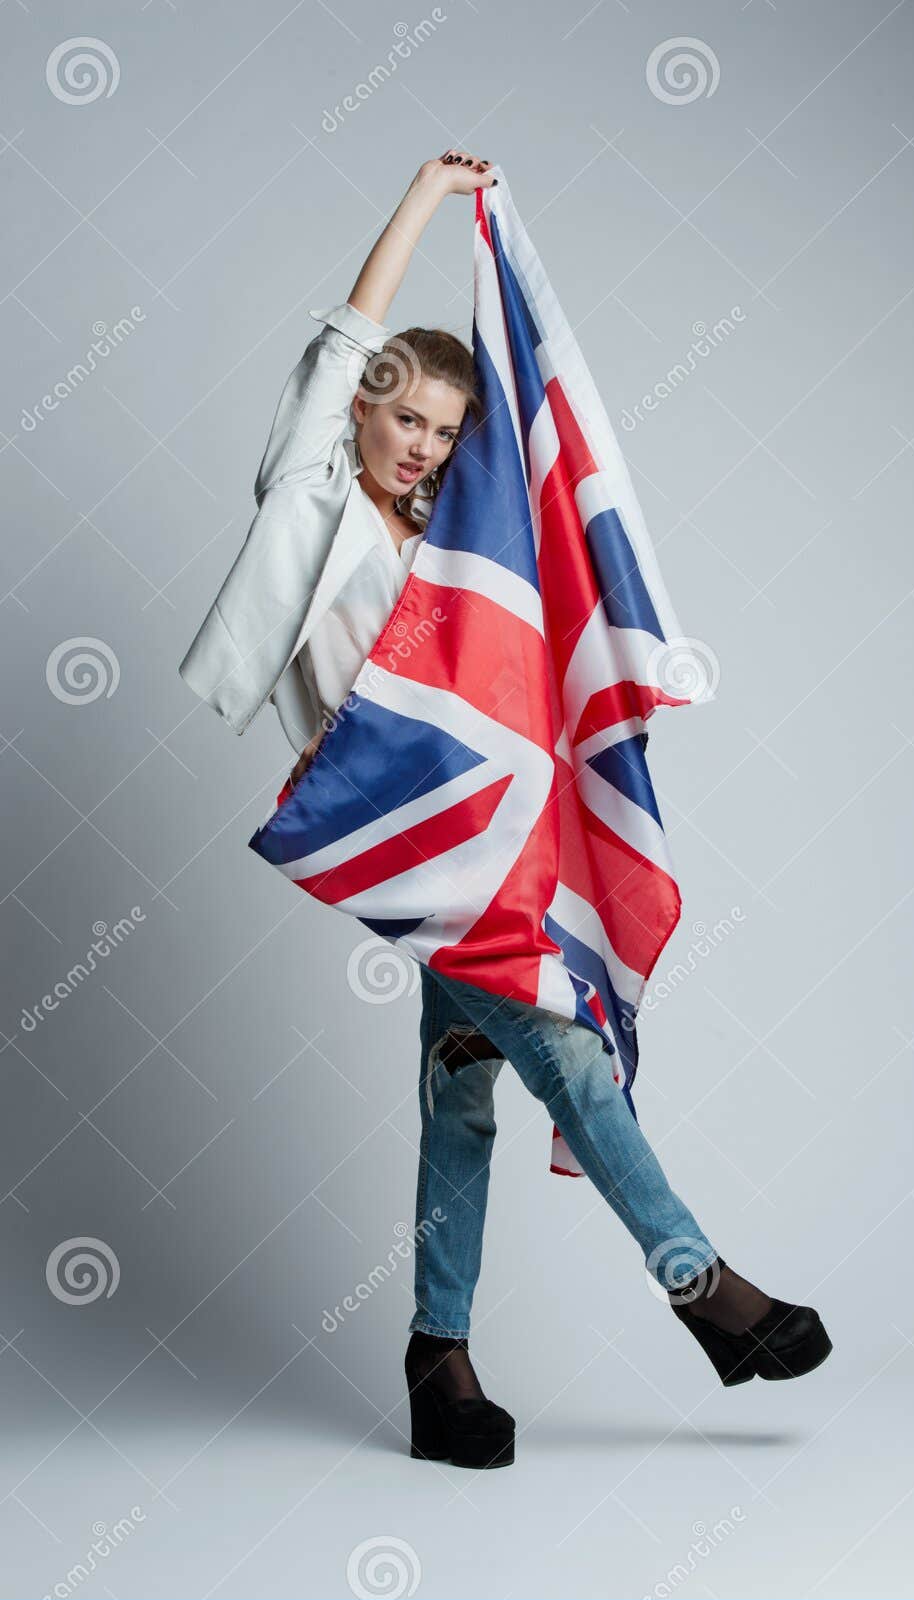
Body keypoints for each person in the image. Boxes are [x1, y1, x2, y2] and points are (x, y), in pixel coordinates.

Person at [179, 151, 833, 1475]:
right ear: (361, 414)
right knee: (566, 1055)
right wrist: (428, 200)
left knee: (464, 1089)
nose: (417, 439)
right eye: (399, 414)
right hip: (405, 844)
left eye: (441, 425)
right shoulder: (305, 503)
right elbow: (346, 335)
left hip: (487, 835)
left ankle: (441, 1362)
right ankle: (701, 1280)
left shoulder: (454, 548)